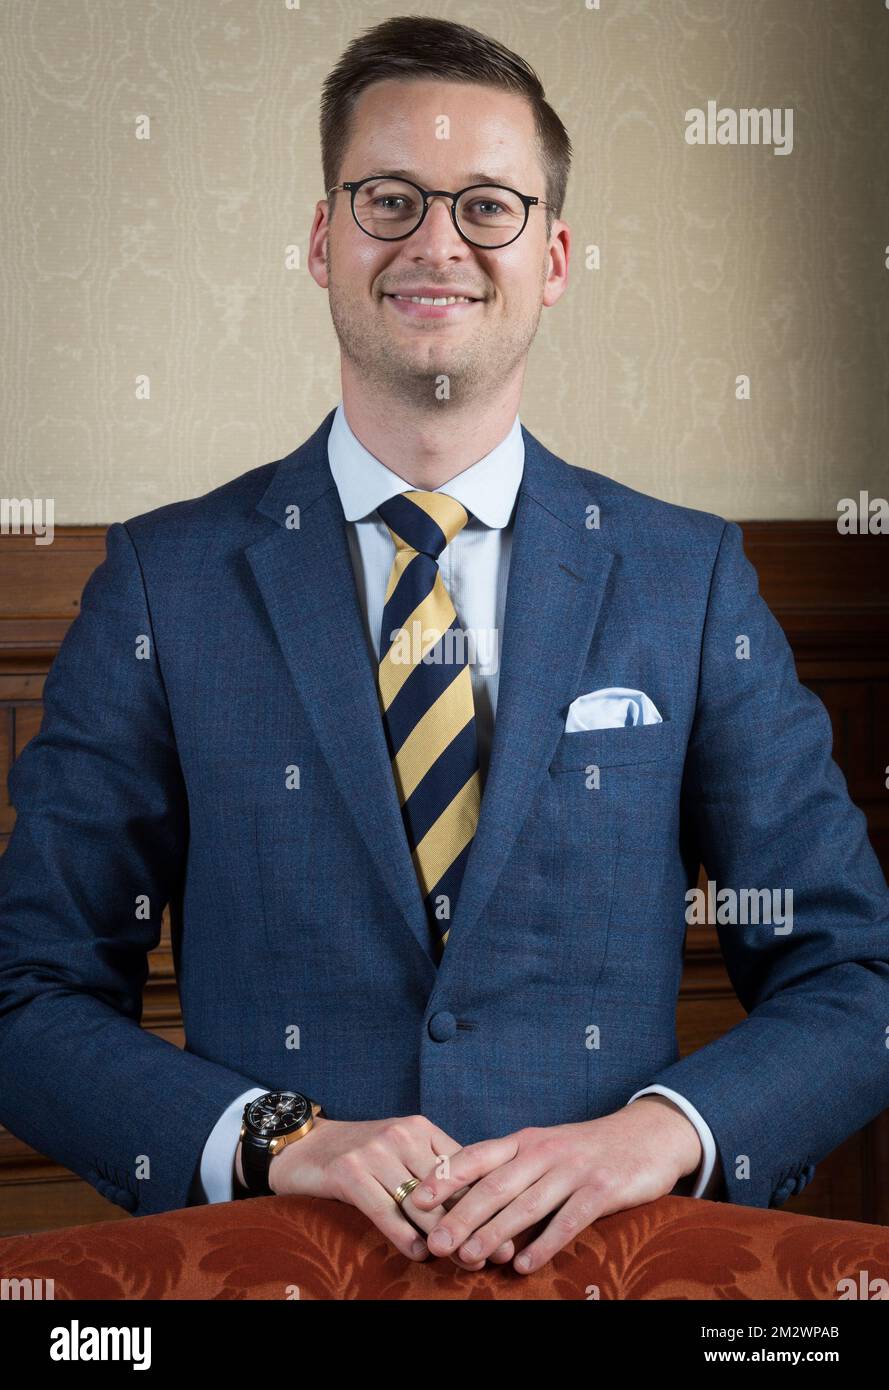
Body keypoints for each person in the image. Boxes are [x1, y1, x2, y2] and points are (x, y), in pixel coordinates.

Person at [1, 15, 888, 1280]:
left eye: (487, 206)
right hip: (279, 1272)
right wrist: (276, 1138)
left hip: (609, 1273)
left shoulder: (686, 578)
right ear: (322, 239)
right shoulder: (165, 581)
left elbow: (854, 976)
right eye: (389, 199)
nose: (436, 242)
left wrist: (652, 1136)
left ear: (555, 255)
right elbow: (24, 994)